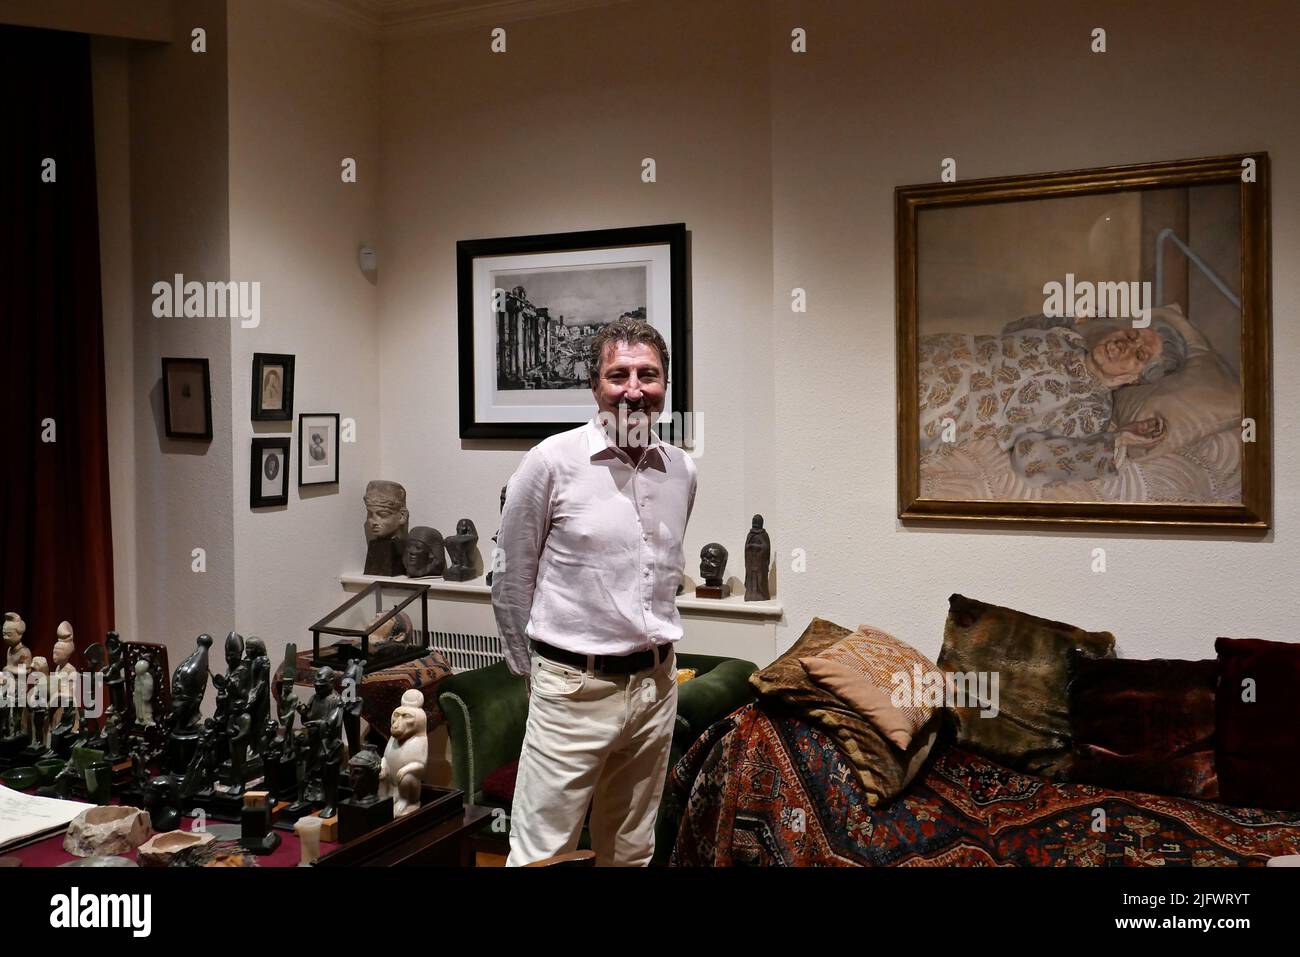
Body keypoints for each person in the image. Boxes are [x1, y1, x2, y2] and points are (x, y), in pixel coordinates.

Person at [492, 317, 696, 866]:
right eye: (619, 374)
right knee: (540, 855)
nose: (634, 389)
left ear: (665, 386)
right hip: (571, 688)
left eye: (648, 375)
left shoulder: (682, 471)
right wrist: (538, 675)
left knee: (630, 851)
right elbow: (510, 580)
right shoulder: (550, 462)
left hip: (654, 688)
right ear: (595, 386)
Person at [918, 313, 1187, 485]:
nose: (1124, 345)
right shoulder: (1067, 335)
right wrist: (1064, 318)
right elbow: (1010, 328)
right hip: (936, 349)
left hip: (945, 399)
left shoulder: (1091, 410)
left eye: (1138, 355)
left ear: (1136, 379)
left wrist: (1119, 440)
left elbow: (1030, 459)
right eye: (1131, 335)